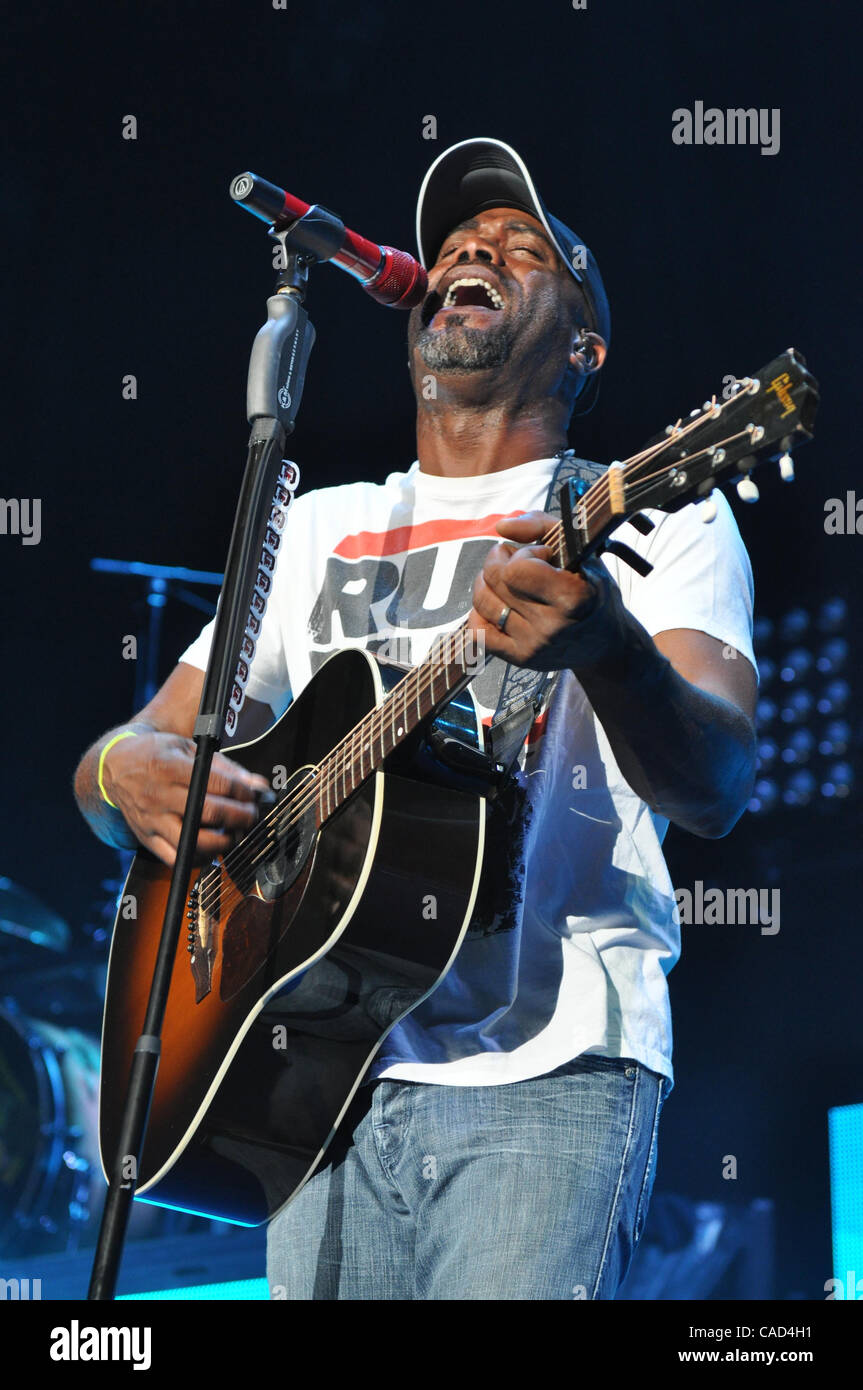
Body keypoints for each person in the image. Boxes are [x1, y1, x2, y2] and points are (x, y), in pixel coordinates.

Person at [74, 138, 757, 1300]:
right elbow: (131, 756)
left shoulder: (658, 520)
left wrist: (607, 647)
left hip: (548, 1071)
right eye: (449, 247)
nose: (472, 250)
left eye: (521, 246)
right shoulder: (318, 526)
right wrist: (118, 773)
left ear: (585, 345)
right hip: (313, 1076)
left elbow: (715, 786)